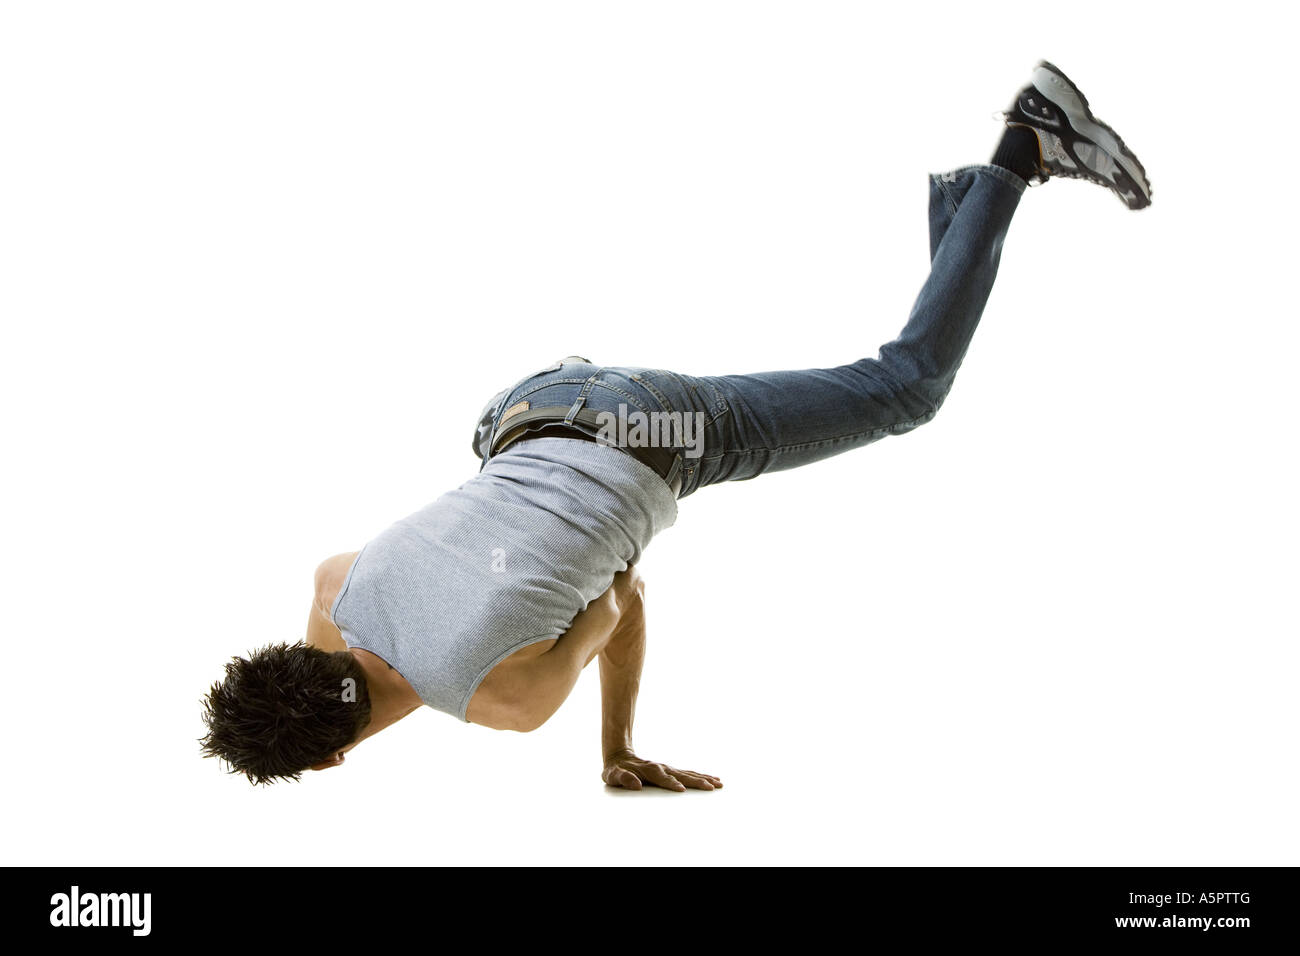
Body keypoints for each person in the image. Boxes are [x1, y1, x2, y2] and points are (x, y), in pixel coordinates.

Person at [201, 61, 1151, 790]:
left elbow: (622, 595)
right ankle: (964, 203)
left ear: (330, 763)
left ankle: (1020, 154)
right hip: (527, 403)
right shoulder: (335, 588)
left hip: (653, 435)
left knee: (903, 389)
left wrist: (617, 747)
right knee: (507, 498)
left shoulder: (508, 698)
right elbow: (353, 632)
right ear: (286, 656)